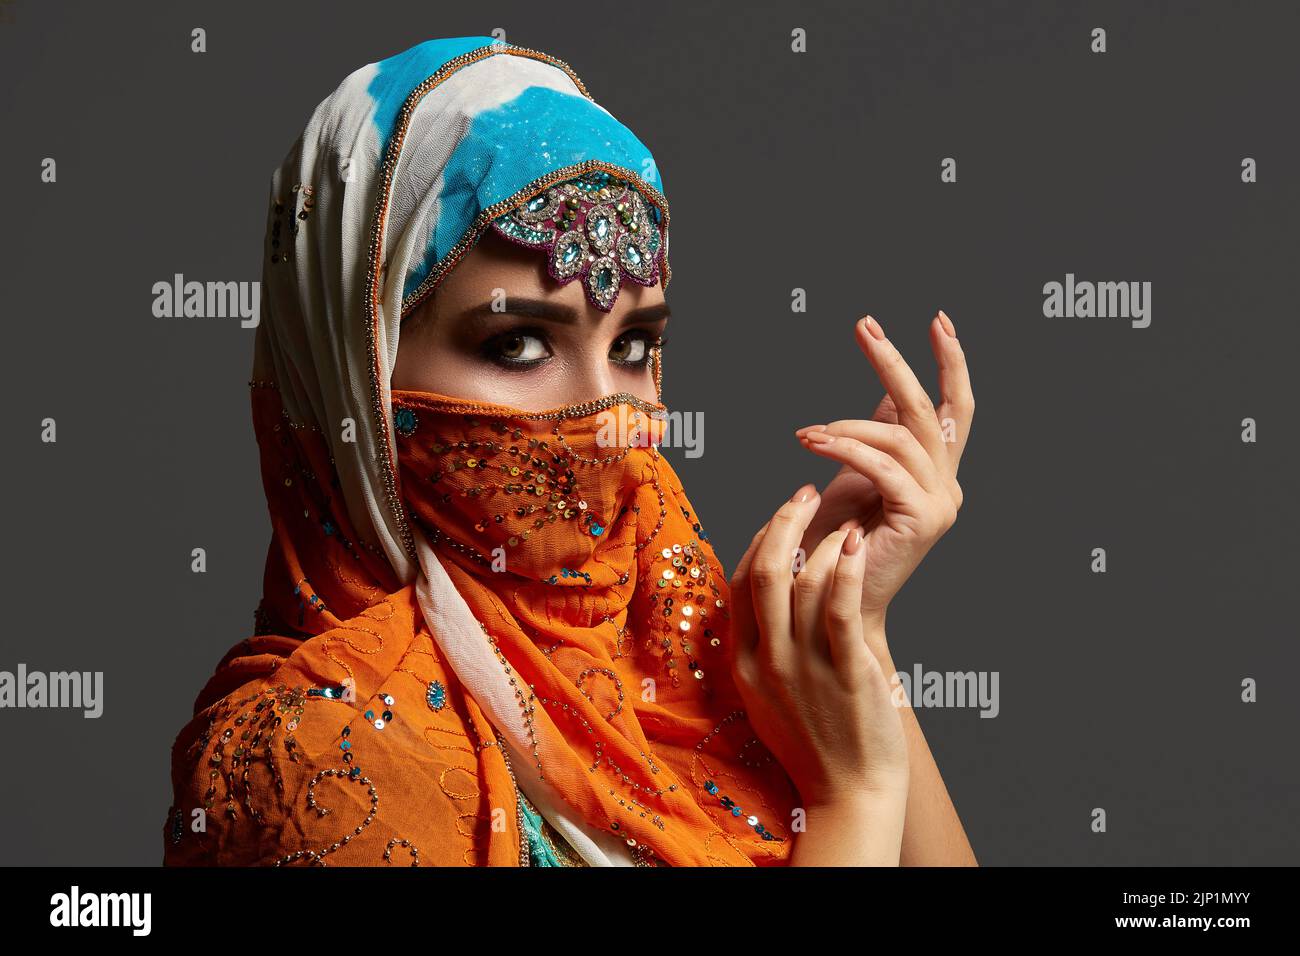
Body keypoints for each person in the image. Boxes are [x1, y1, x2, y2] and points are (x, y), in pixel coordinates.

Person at [163, 36, 976, 867]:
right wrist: (855, 799)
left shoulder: (680, 643)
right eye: (517, 344)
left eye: (633, 347)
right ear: (352, 364)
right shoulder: (320, 757)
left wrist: (848, 624)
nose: (611, 418)